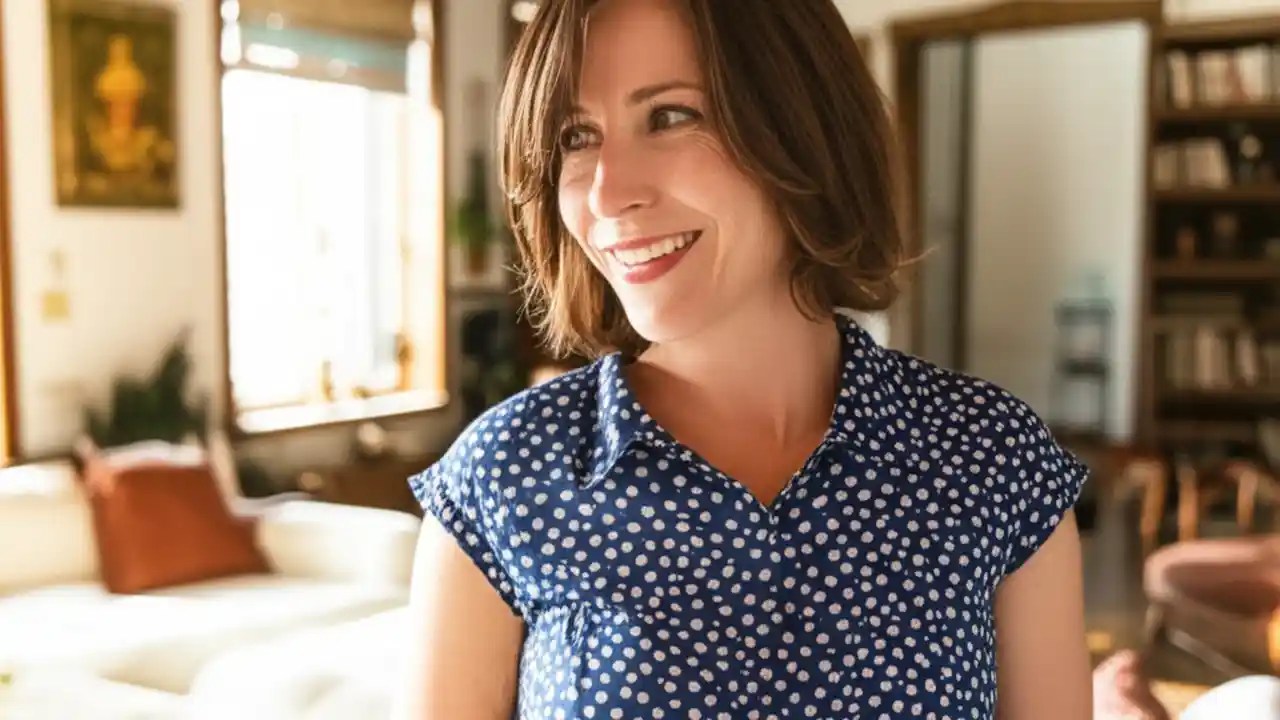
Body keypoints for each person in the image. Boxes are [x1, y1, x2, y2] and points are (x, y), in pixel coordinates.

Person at [397, 0, 1091, 718]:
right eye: (577, 136)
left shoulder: (991, 459)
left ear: (803, 128)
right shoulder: (504, 478)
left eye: (670, 117)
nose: (608, 192)